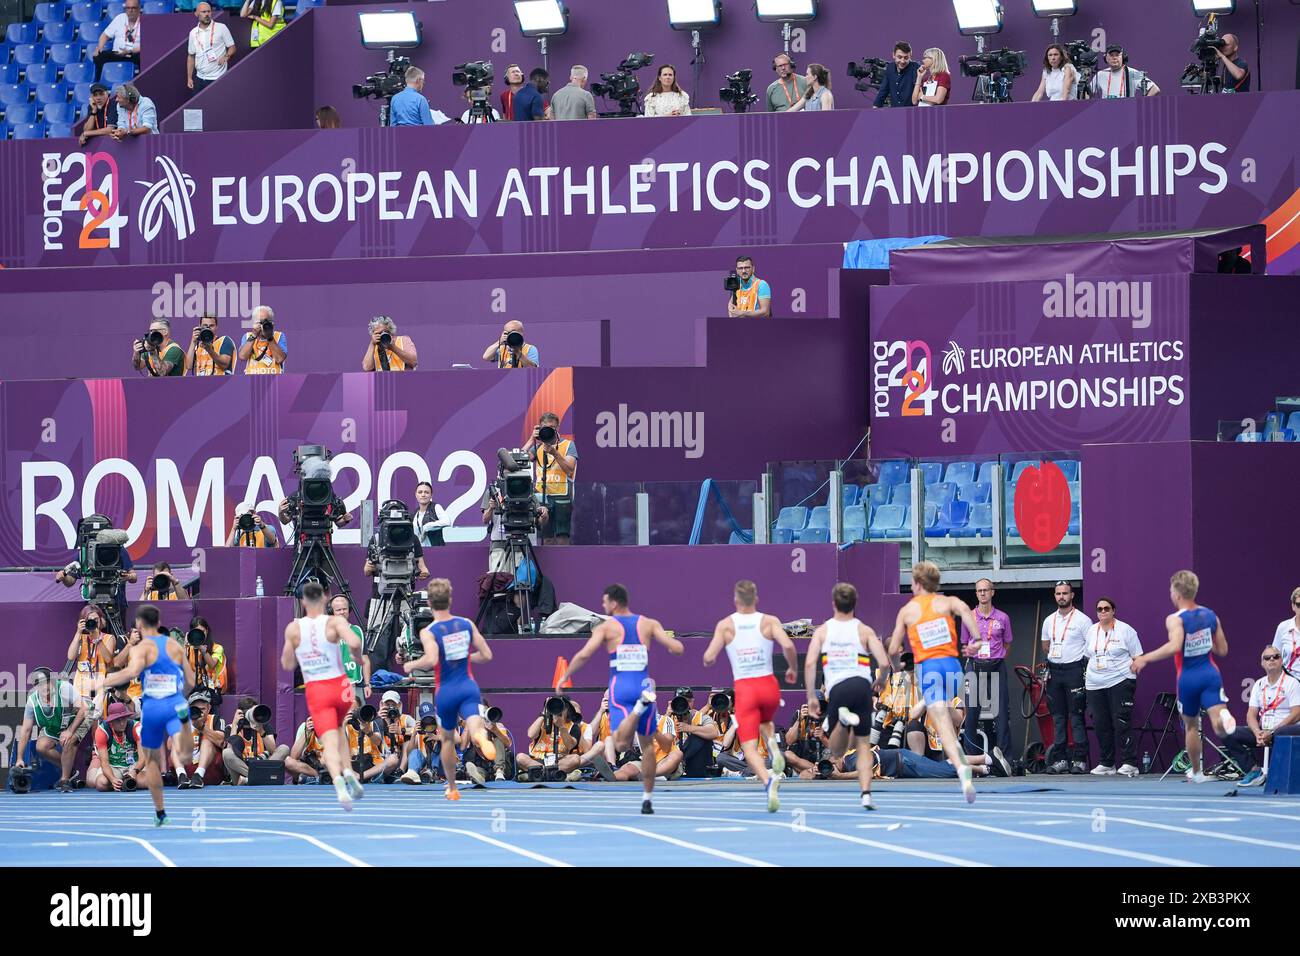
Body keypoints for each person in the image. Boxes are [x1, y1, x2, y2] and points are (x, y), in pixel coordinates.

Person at [555, 583, 684, 814]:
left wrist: (565, 675)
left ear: (614, 602)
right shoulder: (648, 623)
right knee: (648, 748)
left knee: (622, 743)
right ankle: (647, 799)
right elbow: (677, 648)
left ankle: (635, 712)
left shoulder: (608, 627)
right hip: (642, 686)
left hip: (621, 688)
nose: (604, 606)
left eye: (605, 603)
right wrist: (675, 646)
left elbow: (585, 654)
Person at [888, 561, 981, 803]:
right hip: (952, 667)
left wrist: (896, 660)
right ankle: (965, 765)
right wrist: (977, 640)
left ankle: (962, 770)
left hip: (929, 669)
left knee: (945, 730)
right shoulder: (947, 601)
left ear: (917, 584)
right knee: (950, 723)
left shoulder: (908, 610)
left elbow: (892, 648)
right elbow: (967, 612)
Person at [1131, 570, 1234, 783]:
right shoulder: (1211, 615)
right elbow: (1222, 650)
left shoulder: (1175, 619)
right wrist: (1204, 639)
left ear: (1177, 593)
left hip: (1188, 678)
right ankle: (1224, 718)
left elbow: (1175, 645)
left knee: (1192, 727)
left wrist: (1145, 658)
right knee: (1217, 722)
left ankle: (1196, 771)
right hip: (1210, 673)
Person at [703, 581, 799, 809]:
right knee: (765, 720)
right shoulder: (769, 621)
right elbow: (788, 646)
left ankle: (768, 784)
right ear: (756, 599)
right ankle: (774, 747)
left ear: (736, 600)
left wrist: (711, 658)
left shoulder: (725, 625)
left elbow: (708, 657)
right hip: (768, 685)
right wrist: (793, 668)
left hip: (745, 688)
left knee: (748, 747)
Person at [400, 578, 497, 801]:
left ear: (431, 604)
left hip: (446, 691)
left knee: (446, 740)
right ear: (450, 600)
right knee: (474, 723)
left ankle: (452, 787)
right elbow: (487, 655)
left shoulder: (429, 631)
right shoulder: (466, 624)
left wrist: (412, 665)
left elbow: (432, 658)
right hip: (467, 685)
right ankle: (482, 738)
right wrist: (465, 656)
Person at [95, 605, 194, 826]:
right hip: (174, 701)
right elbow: (191, 680)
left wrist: (103, 681)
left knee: (151, 763)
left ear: (140, 624)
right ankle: (183, 737)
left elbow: (128, 671)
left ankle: (161, 813)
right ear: (158, 623)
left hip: (152, 707)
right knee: (181, 750)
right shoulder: (174, 646)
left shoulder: (141, 648)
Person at [281, 582, 366, 808]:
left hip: (317, 688)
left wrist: (303, 654)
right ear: (325, 599)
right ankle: (348, 771)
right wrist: (357, 658)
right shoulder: (334, 622)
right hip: (340, 686)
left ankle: (339, 782)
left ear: (302, 602)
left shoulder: (294, 628)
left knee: (329, 741)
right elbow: (356, 642)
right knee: (340, 732)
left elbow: (286, 664)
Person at [808, 583, 892, 809]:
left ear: (834, 604)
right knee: (864, 745)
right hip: (862, 686)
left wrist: (811, 696)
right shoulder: (864, 630)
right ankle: (866, 794)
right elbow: (884, 662)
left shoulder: (823, 631)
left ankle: (842, 723)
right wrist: (881, 681)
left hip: (838, 688)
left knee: (836, 749)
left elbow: (809, 663)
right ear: (854, 604)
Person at [1082, 597, 1143, 777]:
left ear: (1113, 610)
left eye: (1106, 608)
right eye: (1099, 609)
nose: (1103, 612)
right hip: (1095, 683)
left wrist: (1130, 676)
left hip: (1120, 681)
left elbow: (1138, 656)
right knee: (1101, 723)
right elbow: (1088, 656)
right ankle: (1107, 763)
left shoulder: (1126, 630)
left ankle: (1130, 763)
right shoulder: (1092, 630)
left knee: (1121, 722)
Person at [1224, 646, 1300, 787]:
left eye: (1276, 656)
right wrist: (1257, 732)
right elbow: (1251, 714)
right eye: (1267, 658)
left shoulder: (1292, 683)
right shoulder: (1258, 684)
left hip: (1285, 730)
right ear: (1262, 663)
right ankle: (1254, 771)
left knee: (1280, 732)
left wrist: (1271, 732)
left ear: (1281, 661)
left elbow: (1297, 713)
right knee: (1227, 732)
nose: (1271, 659)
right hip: (1263, 731)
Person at [1040, 580, 1092, 774]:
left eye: (1065, 593)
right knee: (1058, 718)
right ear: (1055, 596)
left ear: (1072, 596)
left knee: (1076, 716)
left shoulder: (1082, 620)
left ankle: (1079, 760)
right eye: (1058, 593)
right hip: (1054, 671)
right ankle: (1061, 759)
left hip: (1074, 671)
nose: (1061, 596)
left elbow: (1090, 647)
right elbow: (1046, 646)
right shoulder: (1048, 620)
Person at [13, 667, 91, 792]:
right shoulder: (32, 702)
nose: (44, 687)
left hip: (83, 718)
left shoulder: (64, 688)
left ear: (52, 681)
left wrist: (70, 731)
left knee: (68, 741)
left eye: (46, 683)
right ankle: (70, 771)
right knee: (41, 746)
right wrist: (19, 758)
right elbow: (26, 730)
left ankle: (65, 781)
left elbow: (84, 709)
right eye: (40, 685)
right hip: (57, 725)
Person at [959, 578, 1013, 756]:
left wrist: (995, 657)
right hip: (974, 667)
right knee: (972, 714)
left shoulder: (1003, 617)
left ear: (992, 592)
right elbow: (965, 643)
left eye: (986, 590)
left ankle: (1004, 758)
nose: (982, 593)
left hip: (996, 666)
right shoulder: (968, 617)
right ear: (976, 593)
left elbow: (1007, 644)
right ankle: (972, 758)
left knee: (1002, 714)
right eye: (979, 590)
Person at [523, 412, 576, 546]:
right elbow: (518, 461)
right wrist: (531, 440)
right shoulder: (538, 447)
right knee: (546, 538)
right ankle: (549, 566)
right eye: (545, 427)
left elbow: (570, 470)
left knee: (562, 536)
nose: (549, 430)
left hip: (562, 496)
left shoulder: (568, 445)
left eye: (552, 427)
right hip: (542, 496)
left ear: (557, 428)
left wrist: (554, 452)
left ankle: (564, 564)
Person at [88, 701, 142, 792]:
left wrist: (135, 771)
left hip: (134, 765)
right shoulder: (102, 731)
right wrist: (112, 779)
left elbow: (144, 756)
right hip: (113, 766)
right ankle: (121, 783)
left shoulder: (137, 727)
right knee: (101, 783)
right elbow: (104, 763)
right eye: (118, 720)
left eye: (124, 719)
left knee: (150, 781)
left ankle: (127, 783)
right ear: (111, 721)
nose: (122, 723)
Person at [186, 3, 236, 92]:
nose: (207, 14)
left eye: (209, 11)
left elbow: (232, 47)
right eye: (203, 12)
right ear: (196, 14)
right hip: (200, 78)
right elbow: (191, 56)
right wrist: (189, 78)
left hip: (218, 77)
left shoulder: (221, 27)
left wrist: (226, 57)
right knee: (198, 105)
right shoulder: (193, 33)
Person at [93, 0, 142, 81]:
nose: (130, 11)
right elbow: (104, 35)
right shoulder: (120, 18)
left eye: (133, 8)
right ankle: (99, 83)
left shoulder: (146, 21)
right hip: (117, 53)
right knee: (98, 56)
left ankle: (141, 84)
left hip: (134, 54)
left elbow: (148, 46)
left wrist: (130, 50)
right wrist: (99, 47)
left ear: (139, 8)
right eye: (128, 8)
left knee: (144, 57)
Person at [1090, 44, 1159, 98]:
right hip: (1105, 111)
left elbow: (1154, 89)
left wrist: (1142, 103)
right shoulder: (1100, 74)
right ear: (1106, 58)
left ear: (1123, 57)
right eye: (1111, 55)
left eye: (1117, 55)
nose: (1114, 58)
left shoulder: (1133, 73)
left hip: (1126, 111)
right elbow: (1087, 94)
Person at [239, 305, 288, 374]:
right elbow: (242, 357)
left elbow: (279, 359)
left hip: (275, 380)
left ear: (272, 323)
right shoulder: (248, 336)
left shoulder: (279, 336)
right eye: (260, 322)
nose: (263, 325)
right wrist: (254, 335)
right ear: (254, 323)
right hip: (251, 379)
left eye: (265, 322)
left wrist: (270, 337)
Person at [874, 42, 920, 108]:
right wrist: (875, 107)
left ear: (910, 56)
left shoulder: (916, 68)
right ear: (893, 55)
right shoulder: (890, 68)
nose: (902, 61)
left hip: (912, 112)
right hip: (895, 112)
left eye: (906, 58)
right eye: (899, 57)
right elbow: (883, 91)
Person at [1271, 586, 1300, 679]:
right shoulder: (1283, 627)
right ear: (1293, 606)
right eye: (1299, 605)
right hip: (1289, 683)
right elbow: (1274, 658)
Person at [412, 481, 446, 548]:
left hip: (434, 551)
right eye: (420, 492)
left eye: (426, 492)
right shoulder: (415, 513)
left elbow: (447, 522)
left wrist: (426, 527)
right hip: (419, 553)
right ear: (416, 495)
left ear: (431, 495)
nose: (423, 495)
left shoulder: (436, 507)